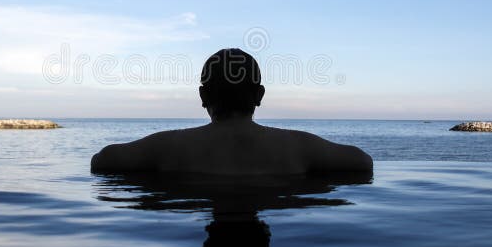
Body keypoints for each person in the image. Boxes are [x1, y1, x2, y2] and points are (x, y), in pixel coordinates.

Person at [91, 48, 373, 174]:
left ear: (202, 96)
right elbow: (363, 162)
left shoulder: (167, 147)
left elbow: (102, 160)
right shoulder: (299, 147)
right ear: (259, 95)